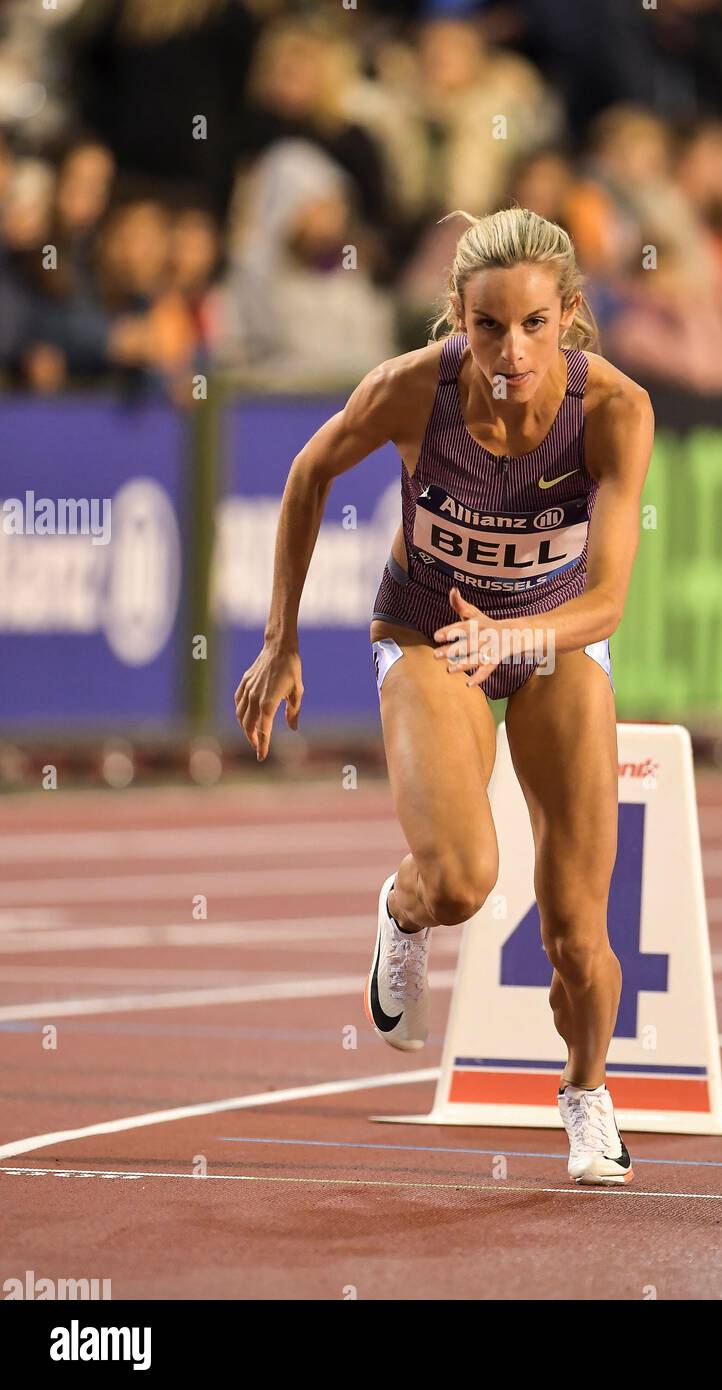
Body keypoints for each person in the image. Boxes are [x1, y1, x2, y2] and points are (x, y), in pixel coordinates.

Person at [235, 207, 654, 1185]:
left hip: (549, 644)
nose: (510, 352)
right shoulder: (410, 390)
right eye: (487, 326)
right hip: (426, 633)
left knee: (578, 935)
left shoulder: (616, 411)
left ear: (570, 316)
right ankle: (405, 908)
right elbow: (308, 474)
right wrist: (278, 639)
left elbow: (607, 600)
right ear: (457, 318)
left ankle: (586, 1090)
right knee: (463, 879)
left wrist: (514, 634)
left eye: (534, 326)